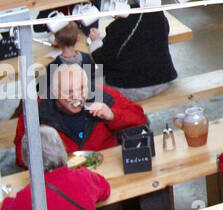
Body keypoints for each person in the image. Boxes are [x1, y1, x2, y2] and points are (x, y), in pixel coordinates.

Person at [0, 126, 110, 210]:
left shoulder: (26, 196)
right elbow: (105, 190)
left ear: (27, 159)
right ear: (61, 149)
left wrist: (9, 200)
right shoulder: (85, 176)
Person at [14, 64, 148, 167]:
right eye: (69, 92)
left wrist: (112, 115)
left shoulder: (106, 96)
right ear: (55, 93)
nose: (77, 96)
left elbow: (141, 120)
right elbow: (22, 157)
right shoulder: (37, 113)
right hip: (62, 177)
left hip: (108, 167)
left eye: (82, 88)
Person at [92, 0, 178, 101]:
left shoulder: (117, 27)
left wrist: (95, 43)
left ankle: (97, 113)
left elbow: (103, 61)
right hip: (163, 80)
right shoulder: (157, 14)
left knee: (90, 81)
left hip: (134, 89)